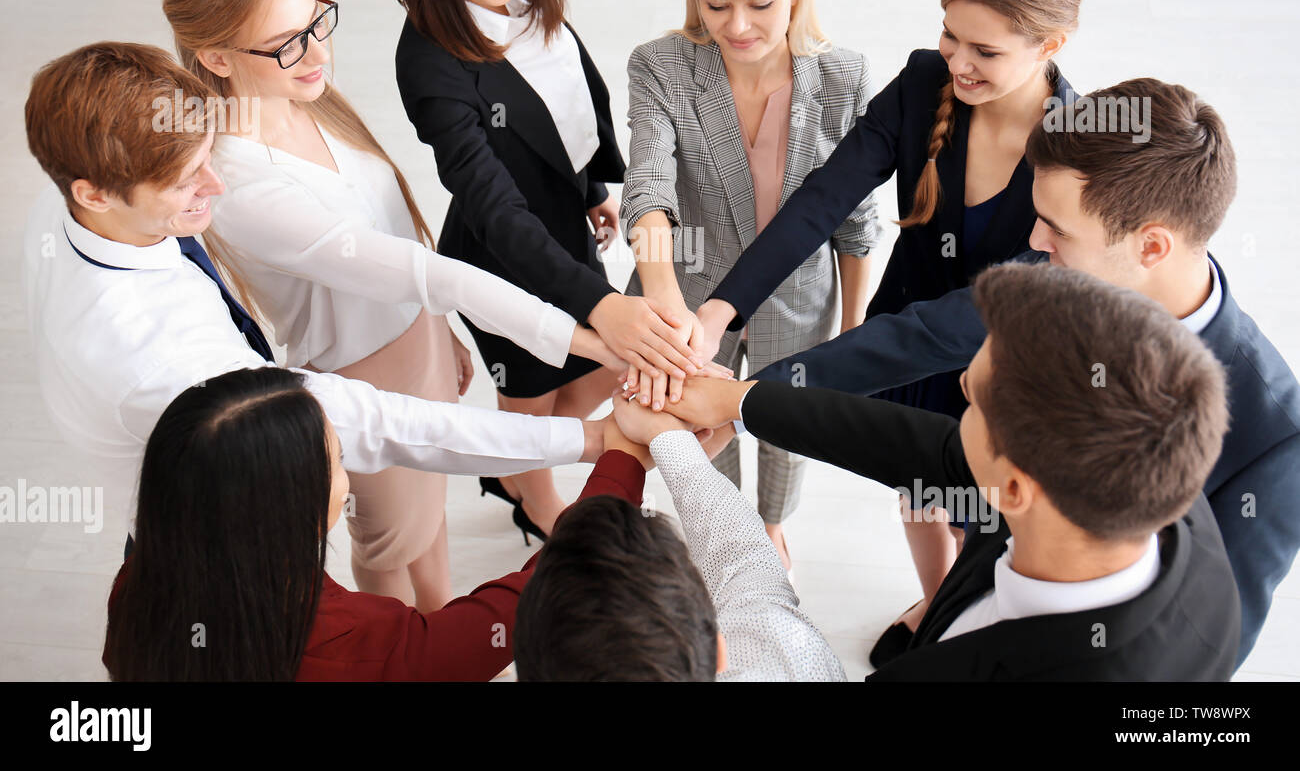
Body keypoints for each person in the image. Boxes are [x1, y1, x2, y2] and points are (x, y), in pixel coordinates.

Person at [740, 77, 1300, 667]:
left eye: (1058, 229)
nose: (1033, 242)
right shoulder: (1066, 272)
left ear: (1151, 246)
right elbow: (923, 338)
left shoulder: (1273, 438)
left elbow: (1211, 646)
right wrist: (745, 398)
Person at [161, 0, 623, 610]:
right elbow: (411, 268)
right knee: (388, 542)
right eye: (287, 42)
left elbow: (398, 233)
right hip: (360, 372)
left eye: (317, 20)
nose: (318, 52)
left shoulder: (309, 100)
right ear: (215, 57)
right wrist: (598, 334)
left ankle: (437, 620)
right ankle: (415, 644)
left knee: (426, 518)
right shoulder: (242, 182)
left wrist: (441, 335)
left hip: (416, 337)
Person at [21, 42, 609, 551]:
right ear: (94, 193)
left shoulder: (70, 201)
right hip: (216, 532)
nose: (216, 186)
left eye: (207, 158)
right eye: (185, 180)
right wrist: (593, 441)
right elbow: (385, 423)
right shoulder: (165, 360)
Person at [688, 0, 1082, 647]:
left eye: (985, 52)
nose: (958, 63)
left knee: (983, 503)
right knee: (918, 488)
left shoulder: (1079, 146)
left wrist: (758, 396)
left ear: (1050, 45)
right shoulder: (923, 82)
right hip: (902, 323)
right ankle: (936, 602)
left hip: (995, 352)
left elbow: (964, 323)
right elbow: (821, 200)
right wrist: (721, 309)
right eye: (951, 37)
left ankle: (970, 615)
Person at [668, 262, 1239, 680]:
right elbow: (929, 452)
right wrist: (740, 402)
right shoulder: (1145, 482)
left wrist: (675, 453)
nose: (957, 395)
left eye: (971, 399)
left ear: (1014, 491)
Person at [393, 0, 705, 538]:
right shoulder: (428, 63)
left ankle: (509, 467)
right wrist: (600, 301)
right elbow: (493, 205)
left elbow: (566, 95)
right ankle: (536, 501)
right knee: (532, 398)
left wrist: (593, 182)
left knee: (571, 380)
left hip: (566, 222)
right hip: (503, 255)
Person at [619, 0, 880, 576]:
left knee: (785, 423)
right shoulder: (660, 67)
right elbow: (648, 189)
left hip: (800, 297)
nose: (737, 27)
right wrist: (668, 305)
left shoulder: (843, 79)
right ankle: (728, 523)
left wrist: (854, 328)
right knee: (704, 415)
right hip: (690, 286)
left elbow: (856, 221)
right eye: (715, 5)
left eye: (760, 5)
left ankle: (770, 524)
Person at [102, 367, 646, 680]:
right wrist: (620, 462)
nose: (351, 472)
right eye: (338, 460)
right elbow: (519, 604)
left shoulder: (139, 586)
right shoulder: (355, 643)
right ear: (291, 509)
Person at [513, 390, 844, 681]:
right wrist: (664, 433)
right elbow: (744, 561)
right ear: (718, 652)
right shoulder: (794, 662)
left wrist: (656, 434)